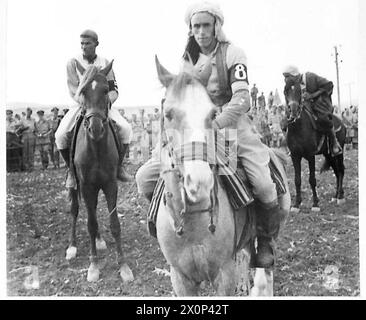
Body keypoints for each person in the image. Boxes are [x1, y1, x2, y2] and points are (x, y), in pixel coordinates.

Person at [136, 1, 285, 268]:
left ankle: (264, 239)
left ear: (217, 25)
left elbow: (242, 98)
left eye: (206, 25)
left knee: (263, 185)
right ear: (190, 30)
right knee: (145, 177)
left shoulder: (232, 54)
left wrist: (217, 123)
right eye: (196, 26)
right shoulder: (187, 60)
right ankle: (171, 220)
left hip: (231, 126)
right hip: (195, 128)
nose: (201, 32)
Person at [55, 29, 133, 187]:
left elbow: (113, 89)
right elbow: (73, 89)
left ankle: (119, 167)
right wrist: (87, 103)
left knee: (126, 129)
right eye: (82, 43)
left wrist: (106, 103)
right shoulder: (73, 63)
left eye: (87, 43)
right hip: (81, 104)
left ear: (96, 44)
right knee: (61, 135)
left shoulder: (104, 62)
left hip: (103, 105)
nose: (84, 47)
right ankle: (71, 171)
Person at [283, 65, 342, 156]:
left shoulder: (310, 77)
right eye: (285, 77)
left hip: (320, 102)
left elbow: (328, 84)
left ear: (295, 75)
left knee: (324, 118)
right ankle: (294, 147)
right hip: (305, 104)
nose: (286, 79)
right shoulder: (293, 85)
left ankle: (334, 142)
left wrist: (313, 95)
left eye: (288, 76)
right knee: (289, 120)